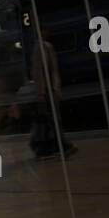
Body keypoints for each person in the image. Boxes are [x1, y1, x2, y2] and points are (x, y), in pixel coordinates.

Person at [29, 25, 76, 159]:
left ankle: (50, 148)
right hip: (47, 91)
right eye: (44, 30)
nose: (47, 32)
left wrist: (56, 88)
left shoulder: (47, 46)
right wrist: (41, 93)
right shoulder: (39, 48)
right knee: (54, 121)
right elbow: (38, 72)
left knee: (52, 121)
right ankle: (64, 146)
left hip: (52, 90)